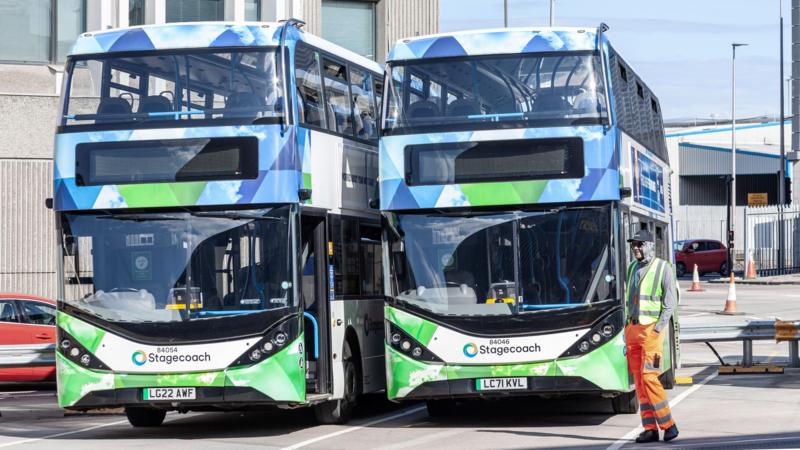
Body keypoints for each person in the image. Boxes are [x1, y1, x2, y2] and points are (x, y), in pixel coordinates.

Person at [625, 229, 679, 443]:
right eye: (633, 245)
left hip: (650, 332)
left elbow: (670, 303)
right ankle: (650, 428)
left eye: (640, 244)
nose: (636, 248)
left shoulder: (663, 268)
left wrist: (658, 328)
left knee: (649, 378)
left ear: (650, 246)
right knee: (639, 381)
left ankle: (669, 425)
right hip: (633, 331)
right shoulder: (631, 268)